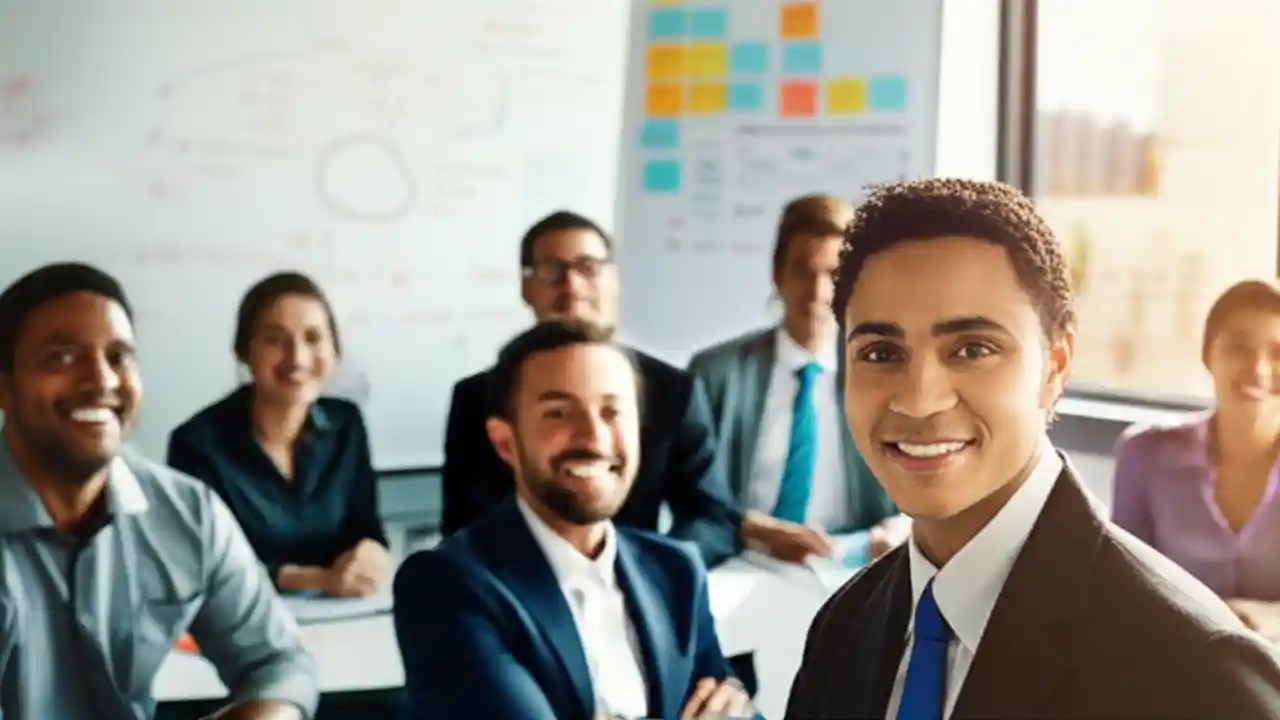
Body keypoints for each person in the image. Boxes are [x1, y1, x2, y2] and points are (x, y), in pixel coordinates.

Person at [784, 179, 1280, 719]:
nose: (920, 400)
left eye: (972, 349)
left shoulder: (1199, 672)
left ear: (1056, 366)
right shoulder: (842, 628)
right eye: (881, 352)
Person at [0, 263, 317, 719]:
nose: (102, 380)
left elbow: (279, 661)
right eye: (62, 357)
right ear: (3, 384)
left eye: (119, 356)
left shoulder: (187, 513)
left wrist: (265, 713)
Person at [394, 320, 752, 719]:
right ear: (505, 442)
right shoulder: (445, 584)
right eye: (559, 413)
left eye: (612, 411)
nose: (593, 438)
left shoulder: (676, 572)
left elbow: (732, 708)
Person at [442, 210, 828, 567]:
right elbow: (465, 526)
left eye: (588, 268)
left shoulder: (671, 392)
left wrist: (646, 569)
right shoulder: (478, 399)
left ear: (614, 280)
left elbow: (712, 518)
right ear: (526, 288)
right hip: (520, 589)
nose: (572, 286)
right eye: (550, 270)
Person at [689, 195, 907, 562]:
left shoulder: (887, 376)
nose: (818, 293)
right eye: (804, 272)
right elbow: (690, 494)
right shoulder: (715, 374)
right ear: (778, 274)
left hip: (853, 562)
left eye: (834, 276)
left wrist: (902, 526)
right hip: (745, 557)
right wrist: (751, 528)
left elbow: (922, 484)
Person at [168, 271, 390, 598]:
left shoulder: (346, 424)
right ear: (245, 351)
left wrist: (373, 553)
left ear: (335, 349)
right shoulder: (198, 444)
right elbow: (200, 567)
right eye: (275, 340)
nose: (297, 358)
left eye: (313, 338)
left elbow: (366, 528)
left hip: (342, 615)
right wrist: (314, 579)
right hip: (238, 624)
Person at [1114, 279, 1280, 639]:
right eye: (1238, 348)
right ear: (1209, 355)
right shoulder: (1144, 454)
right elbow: (1121, 587)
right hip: (1176, 664)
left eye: (1278, 352)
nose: (1259, 369)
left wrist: (1259, 620)